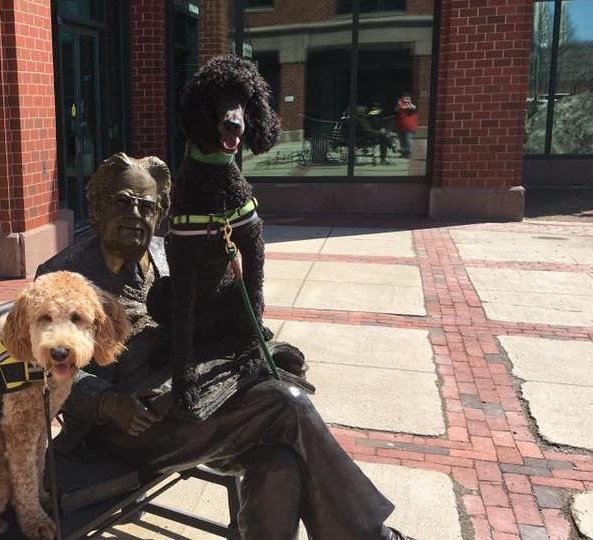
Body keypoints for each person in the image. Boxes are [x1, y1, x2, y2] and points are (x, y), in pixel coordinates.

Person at [37, 152, 415, 540]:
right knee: (286, 404)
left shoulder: (167, 252)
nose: (135, 215)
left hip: (185, 397)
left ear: (160, 213)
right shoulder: (62, 275)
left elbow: (212, 313)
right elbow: (44, 369)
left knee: (278, 461)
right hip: (120, 428)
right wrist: (107, 403)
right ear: (98, 207)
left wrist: (253, 342)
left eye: (147, 206)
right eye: (123, 202)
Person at [395, 92, 419, 158]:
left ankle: (409, 153)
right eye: (403, 97)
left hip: (409, 126)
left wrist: (408, 103)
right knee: (402, 140)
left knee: (407, 140)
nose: (405, 99)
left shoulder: (411, 106)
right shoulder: (399, 105)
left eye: (407, 97)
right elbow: (397, 110)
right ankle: (404, 153)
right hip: (400, 126)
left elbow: (412, 109)